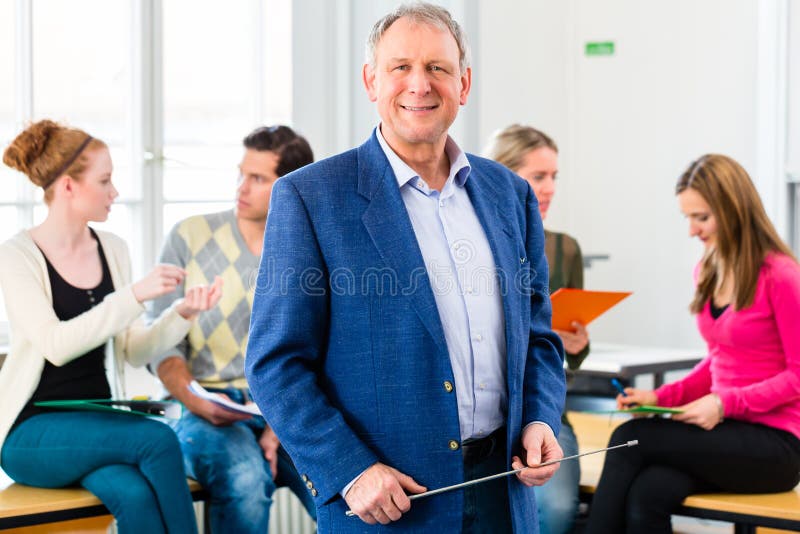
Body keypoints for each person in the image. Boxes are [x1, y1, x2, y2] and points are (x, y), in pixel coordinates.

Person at [245, 4, 566, 533]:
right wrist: (351, 471)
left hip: (503, 493)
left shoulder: (510, 195)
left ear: (463, 84)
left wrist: (539, 418)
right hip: (387, 505)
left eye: (438, 68)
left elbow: (538, 337)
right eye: (400, 67)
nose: (420, 84)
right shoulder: (309, 197)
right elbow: (275, 363)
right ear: (371, 80)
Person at [0, 120, 222, 534]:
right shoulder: (16, 257)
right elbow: (55, 344)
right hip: (30, 433)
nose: (115, 192)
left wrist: (182, 314)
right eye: (105, 181)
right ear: (67, 186)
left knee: (135, 495)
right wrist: (134, 295)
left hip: (98, 421)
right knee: (157, 440)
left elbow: (132, 350)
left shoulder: (113, 249)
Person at [585, 154, 800, 534]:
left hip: (776, 444)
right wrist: (660, 399)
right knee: (649, 493)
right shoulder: (708, 269)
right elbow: (719, 359)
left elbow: (797, 377)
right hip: (724, 435)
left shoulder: (780, 276)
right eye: (687, 218)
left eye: (701, 218)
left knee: (628, 437)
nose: (691, 230)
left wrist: (723, 402)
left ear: (733, 210)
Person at [147, 125, 316, 533]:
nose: (241, 187)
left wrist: (278, 428)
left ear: (289, 185)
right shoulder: (190, 235)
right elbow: (159, 344)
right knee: (244, 481)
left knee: (348, 486)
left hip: (286, 404)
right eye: (241, 174)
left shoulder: (309, 244)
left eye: (257, 179)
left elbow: (318, 348)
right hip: (202, 405)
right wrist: (194, 398)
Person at [486, 124, 588, 534]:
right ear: (503, 176)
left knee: (556, 509)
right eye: (538, 176)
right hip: (486, 416)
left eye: (554, 178)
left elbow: (564, 358)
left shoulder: (564, 248)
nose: (548, 189)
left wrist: (576, 347)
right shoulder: (469, 244)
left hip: (543, 411)